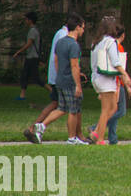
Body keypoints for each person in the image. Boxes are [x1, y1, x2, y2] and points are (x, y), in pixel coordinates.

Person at [23, 14, 72, 144]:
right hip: (59, 76)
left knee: (55, 103)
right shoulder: (63, 36)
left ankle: (33, 128)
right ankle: (39, 127)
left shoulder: (59, 33)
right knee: (68, 107)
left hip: (56, 75)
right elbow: (61, 57)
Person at [42, 15, 88, 145]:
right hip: (70, 82)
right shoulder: (74, 45)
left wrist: (60, 74)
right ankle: (71, 138)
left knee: (61, 108)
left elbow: (56, 60)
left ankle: (41, 126)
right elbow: (74, 66)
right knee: (73, 110)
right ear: (77, 27)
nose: (83, 31)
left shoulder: (60, 42)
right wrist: (78, 85)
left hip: (60, 79)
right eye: (83, 28)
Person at [89, 15, 126, 145]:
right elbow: (115, 61)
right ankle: (99, 138)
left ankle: (97, 132)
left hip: (96, 77)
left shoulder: (96, 42)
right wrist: (125, 74)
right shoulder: (110, 41)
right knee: (106, 110)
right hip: (105, 78)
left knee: (113, 107)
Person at [105, 22, 131, 145]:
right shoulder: (118, 47)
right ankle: (97, 127)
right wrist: (128, 87)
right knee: (120, 111)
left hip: (112, 82)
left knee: (113, 110)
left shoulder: (107, 45)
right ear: (123, 35)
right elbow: (120, 67)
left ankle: (113, 138)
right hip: (117, 83)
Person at [12, 11, 41, 101]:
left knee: (36, 78)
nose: (25, 21)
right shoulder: (34, 30)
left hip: (32, 57)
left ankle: (52, 90)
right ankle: (22, 95)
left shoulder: (32, 31)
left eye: (26, 19)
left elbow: (29, 44)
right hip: (30, 57)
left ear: (30, 20)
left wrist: (18, 52)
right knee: (24, 76)